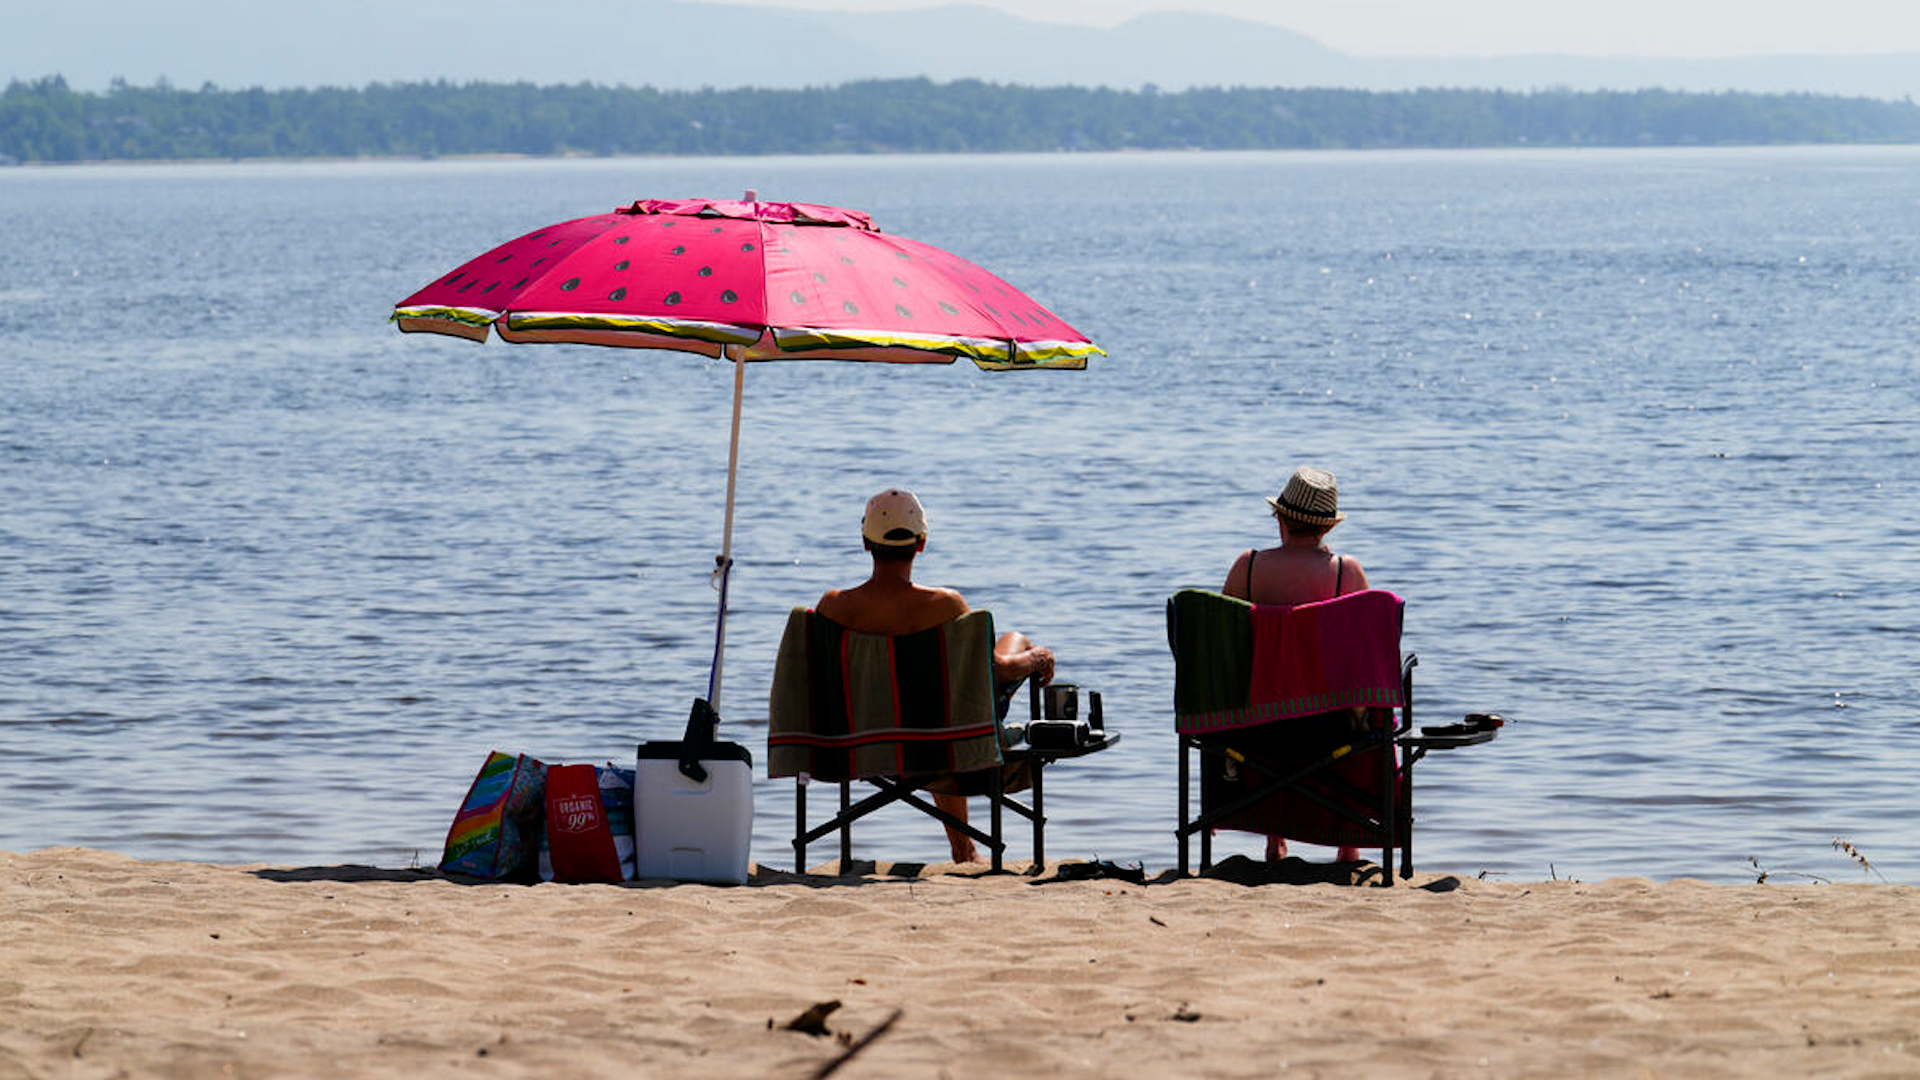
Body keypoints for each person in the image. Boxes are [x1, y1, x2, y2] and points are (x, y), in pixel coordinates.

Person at [815, 488, 1056, 864]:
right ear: (921, 543)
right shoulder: (946, 605)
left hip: (858, 742)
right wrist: (1036, 659)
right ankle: (964, 847)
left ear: (865, 543)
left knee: (935, 709)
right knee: (1009, 650)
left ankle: (965, 846)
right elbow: (998, 671)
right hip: (943, 741)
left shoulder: (832, 607)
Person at [1221, 465, 1371, 864]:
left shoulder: (1246, 567)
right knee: (1357, 700)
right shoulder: (1346, 573)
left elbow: (1225, 649)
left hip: (1255, 726)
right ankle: (1348, 843)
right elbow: (1366, 657)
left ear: (1279, 516)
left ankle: (1275, 838)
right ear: (1327, 527)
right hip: (1332, 729)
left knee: (1271, 684)